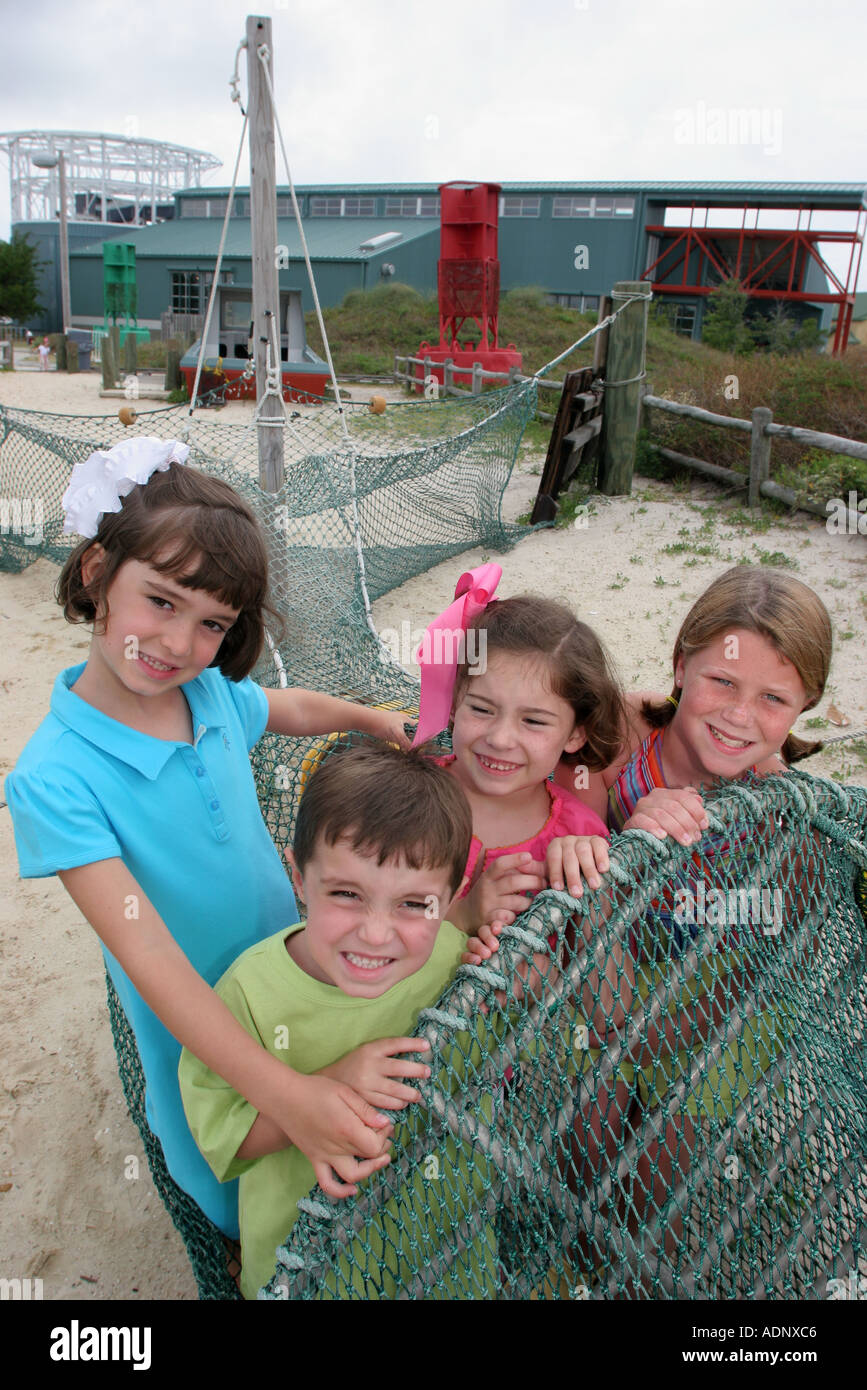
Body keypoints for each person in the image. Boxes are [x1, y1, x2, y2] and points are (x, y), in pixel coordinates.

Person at [4, 437, 412, 1239]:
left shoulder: (211, 695)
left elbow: (284, 709)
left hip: (292, 975)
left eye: (212, 623)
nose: (179, 645)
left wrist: (371, 719)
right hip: (198, 1037)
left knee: (347, 1167)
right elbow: (152, 964)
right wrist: (289, 1098)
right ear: (96, 574)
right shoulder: (54, 780)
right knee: (250, 1196)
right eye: (161, 601)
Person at [179, 739, 489, 1299]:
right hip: (310, 1267)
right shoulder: (250, 993)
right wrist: (329, 1084)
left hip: (446, 1236)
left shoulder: (456, 957)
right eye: (347, 893)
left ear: (454, 896)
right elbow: (223, 1136)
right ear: (298, 878)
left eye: (413, 904)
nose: (375, 933)